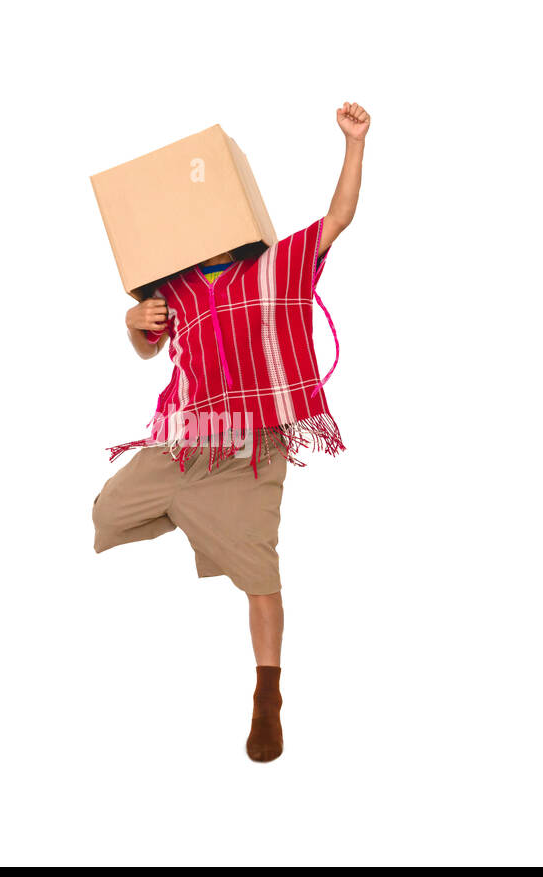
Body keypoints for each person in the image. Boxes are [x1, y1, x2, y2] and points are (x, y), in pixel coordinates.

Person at [92, 102, 371, 762]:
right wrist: (134, 325)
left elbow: (339, 217)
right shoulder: (174, 285)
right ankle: (199, 519)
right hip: (184, 442)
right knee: (105, 515)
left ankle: (267, 695)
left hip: (254, 448)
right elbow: (146, 348)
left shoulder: (276, 266)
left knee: (260, 578)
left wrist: (355, 144)